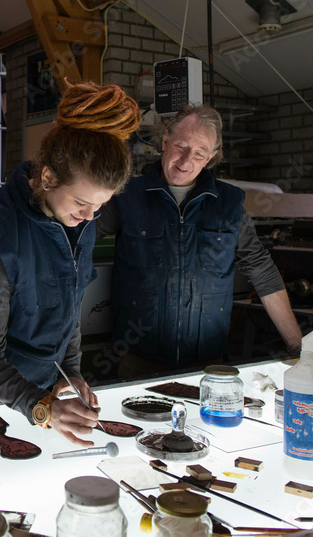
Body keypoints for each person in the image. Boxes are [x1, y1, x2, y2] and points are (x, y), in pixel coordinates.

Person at [0, 81, 140, 445]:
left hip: (37, 400)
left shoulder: (79, 222)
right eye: (81, 203)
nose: (90, 216)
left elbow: (70, 308)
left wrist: (69, 374)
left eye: (100, 206)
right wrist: (41, 406)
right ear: (47, 177)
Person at [96, 104, 302, 376]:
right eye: (181, 146)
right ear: (165, 141)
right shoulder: (128, 196)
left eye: (199, 153)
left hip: (209, 362)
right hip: (137, 358)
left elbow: (261, 270)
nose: (186, 161)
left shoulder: (227, 203)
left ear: (210, 158)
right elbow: (77, 241)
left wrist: (298, 346)